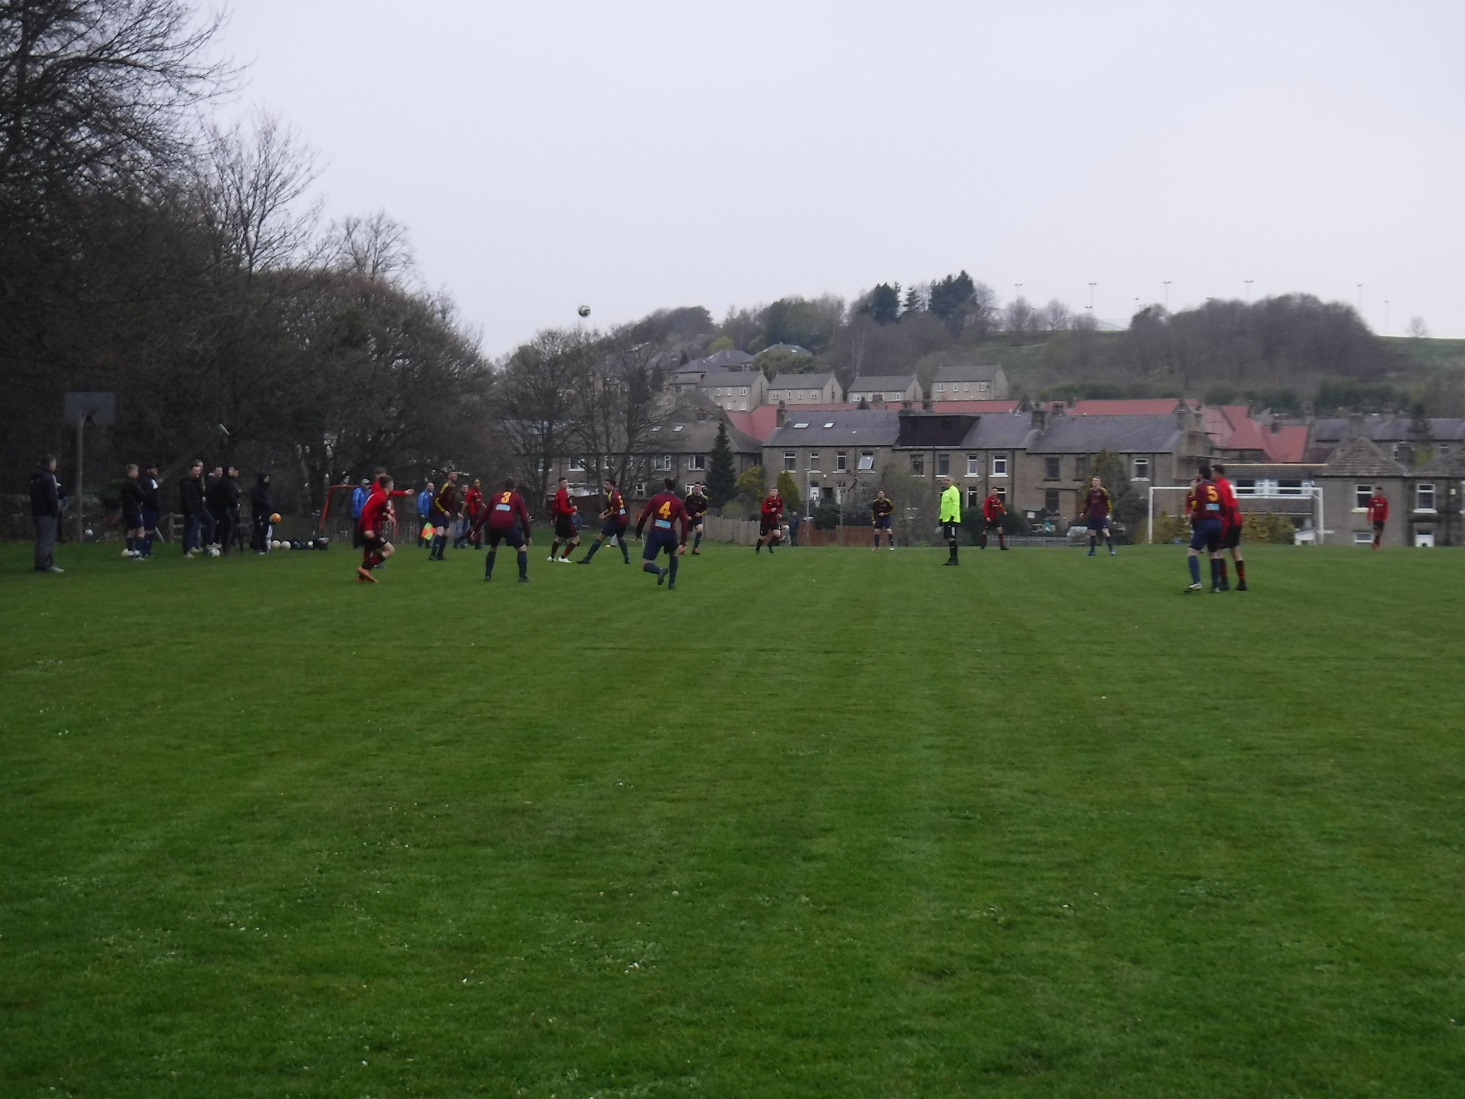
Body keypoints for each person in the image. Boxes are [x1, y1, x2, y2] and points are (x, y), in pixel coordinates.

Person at [635, 477, 690, 589]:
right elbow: (684, 522)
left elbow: (644, 516)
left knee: (646, 563)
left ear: (664, 485)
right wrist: (683, 542)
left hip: (656, 533)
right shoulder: (678, 502)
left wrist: (638, 533)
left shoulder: (656, 498)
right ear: (675, 486)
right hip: (670, 534)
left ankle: (659, 570)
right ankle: (672, 583)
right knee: (673, 555)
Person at [479, 478, 534, 582]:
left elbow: (485, 513)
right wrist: (528, 536)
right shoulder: (518, 498)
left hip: (493, 525)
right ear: (515, 487)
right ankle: (522, 577)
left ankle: (487, 575)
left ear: (504, 486)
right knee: (522, 548)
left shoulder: (496, 496)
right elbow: (524, 518)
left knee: (493, 548)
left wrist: (476, 529)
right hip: (508, 525)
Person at [1184, 464, 1226, 593]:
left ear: (1201, 474)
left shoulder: (1200, 488)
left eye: (1197, 473)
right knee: (1213, 553)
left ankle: (1197, 582)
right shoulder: (1217, 487)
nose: (1196, 475)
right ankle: (1215, 586)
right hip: (1218, 523)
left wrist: (1189, 520)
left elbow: (1196, 507)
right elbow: (1223, 507)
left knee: (1192, 551)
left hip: (1205, 522)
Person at [355, 473, 401, 582]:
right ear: (388, 485)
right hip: (368, 529)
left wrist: (387, 518)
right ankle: (364, 569)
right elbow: (366, 512)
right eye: (392, 483)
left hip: (366, 527)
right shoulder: (380, 497)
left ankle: (362, 577)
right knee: (390, 550)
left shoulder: (380, 495)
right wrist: (368, 529)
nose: (393, 485)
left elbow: (375, 515)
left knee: (370, 550)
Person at [577, 477, 632, 564]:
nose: (604, 486)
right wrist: (604, 512)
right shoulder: (617, 493)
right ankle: (627, 558)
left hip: (616, 520)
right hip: (624, 519)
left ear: (612, 486)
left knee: (599, 538)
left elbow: (614, 511)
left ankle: (587, 558)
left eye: (607, 485)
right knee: (620, 538)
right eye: (604, 484)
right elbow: (614, 507)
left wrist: (604, 517)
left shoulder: (612, 496)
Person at [1211, 462, 1247, 591]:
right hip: (1237, 519)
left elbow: (1223, 505)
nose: (1211, 475)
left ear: (1217, 473)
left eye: (1212, 472)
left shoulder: (1220, 486)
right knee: (1235, 550)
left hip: (1228, 521)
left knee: (1218, 549)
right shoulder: (1229, 484)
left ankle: (1224, 581)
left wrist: (1210, 511)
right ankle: (1242, 582)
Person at [30, 455, 63, 573]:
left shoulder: (35, 477)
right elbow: (52, 496)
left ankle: (39, 562)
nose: (55, 466)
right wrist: (55, 511)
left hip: (37, 512)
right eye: (54, 464)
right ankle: (46, 564)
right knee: (47, 539)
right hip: (47, 513)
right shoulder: (48, 478)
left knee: (40, 539)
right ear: (50, 464)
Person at [427, 471, 459, 561]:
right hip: (438, 512)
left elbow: (451, 503)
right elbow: (436, 500)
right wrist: (443, 511)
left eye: (456, 474)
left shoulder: (453, 488)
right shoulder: (445, 486)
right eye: (453, 474)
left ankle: (440, 554)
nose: (455, 476)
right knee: (439, 531)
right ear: (449, 476)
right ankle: (432, 554)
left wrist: (457, 513)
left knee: (446, 533)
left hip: (444, 513)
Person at [1079, 476, 1115, 556]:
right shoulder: (1090, 492)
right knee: (1091, 532)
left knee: (1105, 531)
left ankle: (1111, 550)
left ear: (1099, 482)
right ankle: (1092, 551)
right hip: (1093, 515)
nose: (1094, 482)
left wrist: (1109, 512)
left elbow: (1108, 501)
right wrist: (1083, 512)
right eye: (1093, 481)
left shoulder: (1102, 491)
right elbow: (1088, 503)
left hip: (1101, 514)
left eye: (1096, 481)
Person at [179, 459, 206, 557]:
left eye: (199, 471)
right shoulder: (187, 483)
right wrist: (190, 511)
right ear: (191, 471)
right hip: (191, 510)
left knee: (196, 527)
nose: (198, 473)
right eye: (196, 471)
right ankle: (186, 550)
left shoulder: (196, 481)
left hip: (197, 508)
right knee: (189, 530)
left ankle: (194, 546)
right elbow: (186, 499)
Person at [119, 463, 147, 559]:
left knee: (131, 531)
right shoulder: (133, 483)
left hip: (126, 510)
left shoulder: (124, 483)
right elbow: (142, 495)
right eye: (136, 471)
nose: (137, 473)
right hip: (134, 509)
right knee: (141, 531)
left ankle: (130, 552)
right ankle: (138, 552)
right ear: (131, 472)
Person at [548, 477, 579, 562]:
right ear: (560, 484)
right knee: (576, 539)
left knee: (559, 538)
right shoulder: (562, 494)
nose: (566, 484)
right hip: (565, 519)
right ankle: (563, 557)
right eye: (564, 482)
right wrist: (573, 509)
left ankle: (552, 556)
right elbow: (563, 510)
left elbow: (554, 507)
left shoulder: (560, 493)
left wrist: (553, 518)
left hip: (560, 519)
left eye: (566, 482)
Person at [217, 465, 243, 554]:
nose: (232, 471)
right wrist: (235, 503)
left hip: (229, 507)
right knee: (228, 527)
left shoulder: (229, 481)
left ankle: (227, 547)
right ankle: (226, 548)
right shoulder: (224, 481)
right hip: (225, 507)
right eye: (231, 469)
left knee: (230, 527)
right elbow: (229, 494)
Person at [139, 463, 162, 558]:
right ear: (148, 470)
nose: (156, 471)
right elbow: (148, 496)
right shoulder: (148, 482)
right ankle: (144, 550)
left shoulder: (153, 481)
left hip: (153, 509)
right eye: (153, 469)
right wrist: (155, 505)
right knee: (148, 530)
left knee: (151, 530)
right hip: (149, 509)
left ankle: (147, 549)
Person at [457, 478, 486, 549]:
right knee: (477, 528)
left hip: (477, 513)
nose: (477, 484)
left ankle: (458, 540)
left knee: (473, 529)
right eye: (476, 483)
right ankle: (477, 545)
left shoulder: (479, 493)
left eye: (478, 483)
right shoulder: (470, 493)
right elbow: (466, 503)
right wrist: (462, 512)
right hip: (472, 513)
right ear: (473, 484)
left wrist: (486, 507)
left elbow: (481, 502)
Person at [939, 475, 961, 565]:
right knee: (949, 538)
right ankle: (952, 557)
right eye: (944, 480)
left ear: (952, 481)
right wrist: (941, 518)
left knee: (952, 538)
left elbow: (956, 504)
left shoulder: (954, 490)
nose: (945, 482)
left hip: (952, 519)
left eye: (948, 480)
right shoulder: (945, 492)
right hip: (945, 519)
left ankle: (954, 559)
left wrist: (952, 516)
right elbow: (943, 507)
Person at [754, 486, 783, 554]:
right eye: (772, 491)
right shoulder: (767, 501)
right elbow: (763, 510)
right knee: (763, 537)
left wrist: (779, 513)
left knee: (777, 534)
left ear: (777, 493)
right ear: (770, 492)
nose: (773, 492)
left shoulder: (779, 500)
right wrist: (770, 510)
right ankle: (757, 549)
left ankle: (770, 544)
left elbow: (781, 506)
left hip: (773, 520)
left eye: (775, 491)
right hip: (766, 521)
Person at [684, 482, 710, 553]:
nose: (697, 488)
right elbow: (684, 507)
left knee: (700, 529)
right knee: (687, 533)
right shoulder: (689, 497)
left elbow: (705, 509)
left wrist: (700, 513)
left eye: (698, 487)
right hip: (689, 517)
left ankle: (695, 548)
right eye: (695, 486)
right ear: (694, 488)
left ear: (700, 488)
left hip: (697, 518)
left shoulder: (704, 498)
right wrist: (687, 516)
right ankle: (683, 546)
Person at [250, 472, 273, 554]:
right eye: (266, 478)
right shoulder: (256, 488)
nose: (267, 480)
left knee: (265, 530)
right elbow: (256, 499)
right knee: (259, 530)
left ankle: (264, 547)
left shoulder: (266, 489)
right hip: (258, 512)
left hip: (266, 512)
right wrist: (266, 503)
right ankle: (257, 547)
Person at [350, 477, 371, 549]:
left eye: (368, 484)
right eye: (365, 484)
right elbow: (355, 501)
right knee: (357, 529)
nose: (367, 486)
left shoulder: (367, 492)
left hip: (365, 514)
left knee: (363, 529)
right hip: (358, 514)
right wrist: (358, 511)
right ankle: (356, 544)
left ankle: (362, 543)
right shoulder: (358, 491)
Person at [1367, 485, 1389, 550]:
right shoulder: (1373, 500)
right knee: (1377, 532)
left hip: (1382, 518)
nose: (1378, 492)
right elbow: (1370, 509)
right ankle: (1377, 546)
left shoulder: (1384, 500)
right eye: (1377, 491)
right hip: (1375, 518)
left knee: (1380, 533)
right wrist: (1368, 519)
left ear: (1381, 492)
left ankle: (1375, 544)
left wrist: (1385, 518)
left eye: (1379, 491)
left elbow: (1386, 509)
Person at [416, 481, 435, 547]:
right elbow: (420, 504)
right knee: (423, 528)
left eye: (432, 486)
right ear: (427, 487)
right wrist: (422, 512)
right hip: (424, 514)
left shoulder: (434, 494)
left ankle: (428, 544)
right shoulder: (423, 494)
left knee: (429, 529)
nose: (431, 487)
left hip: (432, 514)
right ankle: (420, 543)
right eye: (429, 486)